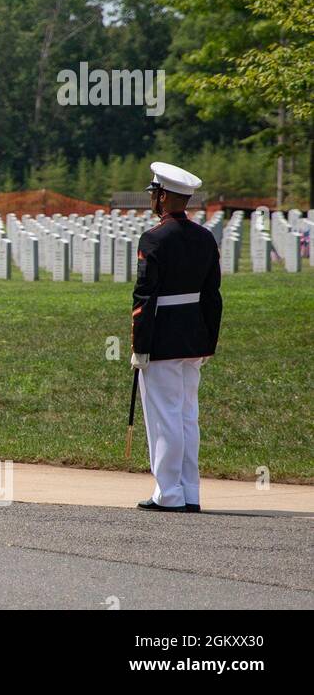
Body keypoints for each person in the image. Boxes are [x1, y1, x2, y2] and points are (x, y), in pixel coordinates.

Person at [131, 161, 223, 513]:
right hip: (193, 338)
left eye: (155, 193)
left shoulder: (154, 238)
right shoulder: (204, 238)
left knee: (164, 416)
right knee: (186, 415)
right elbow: (212, 295)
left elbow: (144, 297)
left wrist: (140, 345)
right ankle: (189, 491)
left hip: (163, 337)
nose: (153, 199)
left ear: (164, 196)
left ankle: (168, 493)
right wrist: (207, 341)